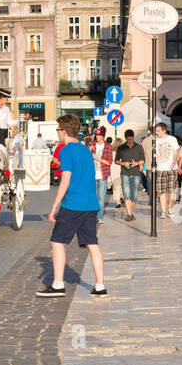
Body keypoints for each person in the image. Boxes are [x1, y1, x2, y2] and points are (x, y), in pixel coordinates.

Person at [37, 115, 107, 298]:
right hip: (91, 204)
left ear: (64, 131)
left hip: (73, 204)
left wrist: (54, 206)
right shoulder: (85, 150)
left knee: (57, 242)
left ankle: (58, 285)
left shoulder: (66, 151)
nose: (58, 133)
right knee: (92, 243)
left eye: (58, 130)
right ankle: (100, 286)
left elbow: (66, 179)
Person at [114, 129, 146, 221]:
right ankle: (129, 214)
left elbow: (143, 160)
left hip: (136, 173)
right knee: (126, 194)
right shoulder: (121, 148)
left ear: (133, 138)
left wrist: (136, 163)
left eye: (131, 139)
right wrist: (123, 164)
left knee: (134, 196)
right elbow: (116, 161)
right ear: (125, 138)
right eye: (128, 139)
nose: (130, 141)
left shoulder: (139, 147)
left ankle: (130, 213)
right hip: (125, 174)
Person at [151, 122, 181, 217]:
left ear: (164, 131)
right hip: (160, 169)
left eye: (158, 130)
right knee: (162, 191)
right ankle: (163, 212)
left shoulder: (172, 139)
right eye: (156, 130)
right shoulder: (155, 140)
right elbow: (155, 153)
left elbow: (176, 151)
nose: (156, 132)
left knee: (171, 190)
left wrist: (174, 161)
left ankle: (170, 208)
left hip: (171, 168)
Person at [94, 132, 113, 224]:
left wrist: (97, 158)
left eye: (99, 135)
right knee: (92, 197)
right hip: (91, 175)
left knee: (101, 198)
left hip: (103, 175)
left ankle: (99, 216)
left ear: (103, 136)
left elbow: (109, 162)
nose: (97, 137)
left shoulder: (108, 146)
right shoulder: (91, 145)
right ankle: (91, 216)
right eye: (96, 135)